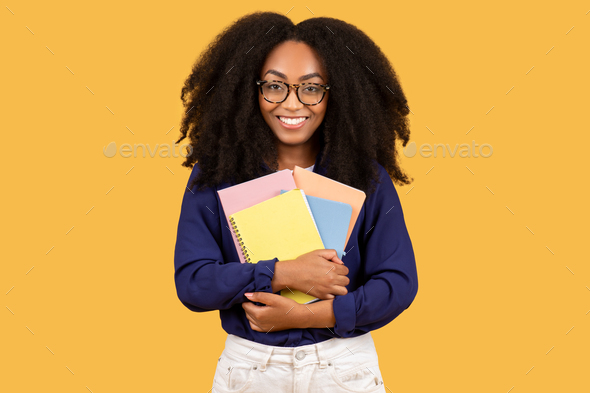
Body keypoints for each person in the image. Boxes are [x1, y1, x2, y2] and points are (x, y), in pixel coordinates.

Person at [173, 11, 418, 393]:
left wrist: (308, 315)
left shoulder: (368, 179)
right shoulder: (216, 177)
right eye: (274, 86)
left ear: (336, 93)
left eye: (311, 87)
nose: (291, 104)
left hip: (343, 367)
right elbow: (193, 283)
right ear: (248, 90)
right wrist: (282, 273)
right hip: (251, 370)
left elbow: (398, 285)